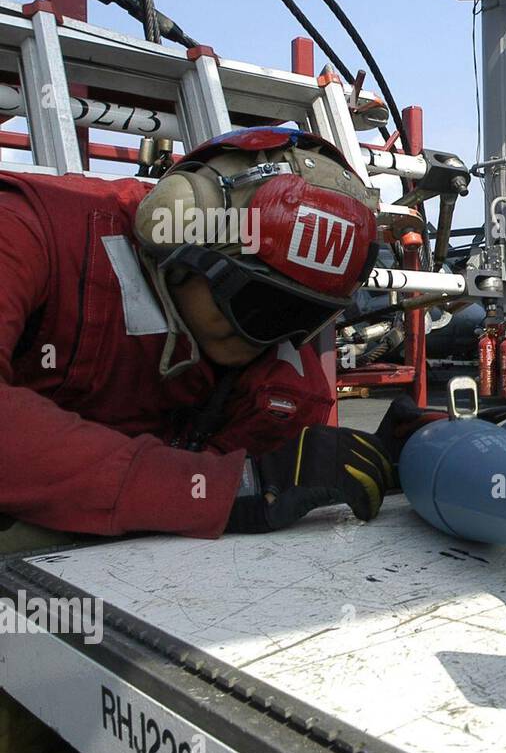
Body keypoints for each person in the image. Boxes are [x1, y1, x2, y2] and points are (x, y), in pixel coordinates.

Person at [0, 126, 399, 549]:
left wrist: (391, 461)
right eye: (256, 301)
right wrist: (221, 487)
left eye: (305, 316)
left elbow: (236, 516)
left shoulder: (283, 385)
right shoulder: (28, 230)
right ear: (174, 228)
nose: (276, 331)